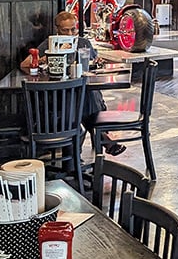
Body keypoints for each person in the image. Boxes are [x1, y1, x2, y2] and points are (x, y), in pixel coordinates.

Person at [19, 10, 126, 156]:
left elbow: (95, 62)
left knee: (85, 95)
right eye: (65, 30)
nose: (69, 34)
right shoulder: (51, 43)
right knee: (82, 97)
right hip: (59, 100)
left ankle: (75, 156)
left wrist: (97, 63)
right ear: (57, 29)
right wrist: (43, 58)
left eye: (73, 29)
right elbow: (24, 64)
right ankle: (101, 139)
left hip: (77, 98)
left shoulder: (83, 43)